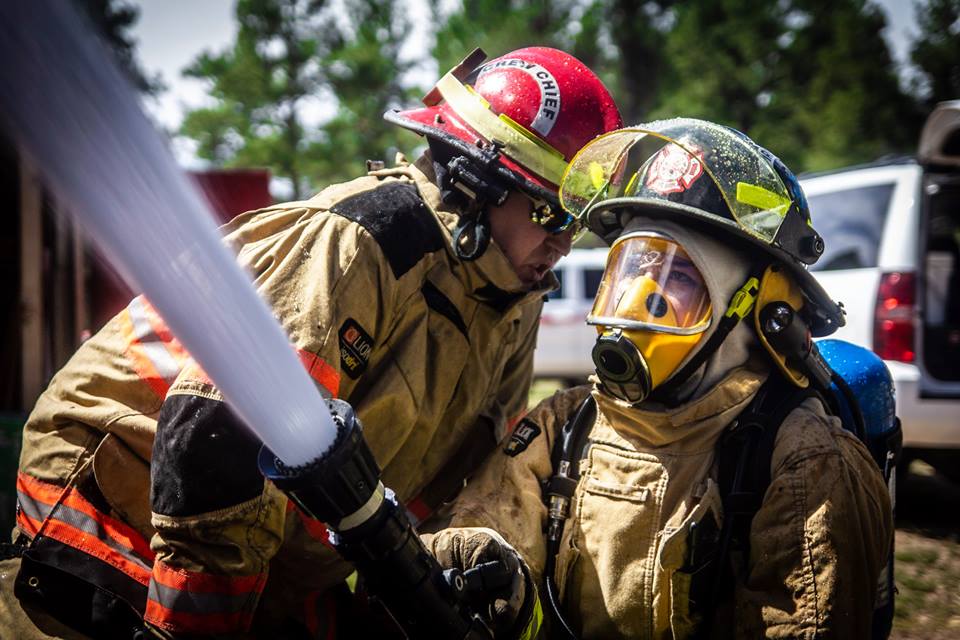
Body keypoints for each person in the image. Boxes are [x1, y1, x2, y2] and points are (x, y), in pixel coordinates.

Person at [0, 47, 622, 638]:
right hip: (116, 519)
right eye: (549, 213)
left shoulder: (510, 303)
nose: (564, 244)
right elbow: (216, 441)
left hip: (265, 557)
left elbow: (447, 492)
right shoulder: (365, 243)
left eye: (576, 222)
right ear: (476, 183)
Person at [423, 119, 894, 638]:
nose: (635, 300)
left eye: (679, 276)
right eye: (632, 269)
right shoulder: (567, 423)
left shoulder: (804, 458)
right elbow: (475, 528)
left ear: (758, 308)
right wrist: (476, 563)